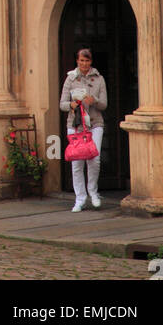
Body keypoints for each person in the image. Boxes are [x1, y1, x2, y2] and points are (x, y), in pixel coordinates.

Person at [59, 46, 107, 211]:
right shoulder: (70, 79)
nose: (84, 64)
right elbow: (62, 104)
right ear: (77, 61)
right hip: (76, 124)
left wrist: (93, 100)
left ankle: (93, 192)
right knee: (77, 162)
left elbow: (104, 104)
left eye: (87, 61)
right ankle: (80, 198)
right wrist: (71, 104)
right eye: (81, 60)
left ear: (91, 62)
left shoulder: (99, 79)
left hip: (94, 123)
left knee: (94, 158)